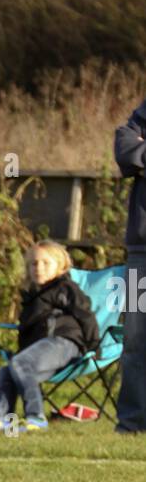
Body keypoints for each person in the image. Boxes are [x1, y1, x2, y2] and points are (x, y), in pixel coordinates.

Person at [0, 242, 99, 433]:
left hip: (64, 343)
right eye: (34, 264)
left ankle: (36, 417)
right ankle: (2, 419)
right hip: (42, 350)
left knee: (19, 364)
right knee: (8, 370)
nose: (39, 268)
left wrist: (94, 346)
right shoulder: (31, 297)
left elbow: (86, 315)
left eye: (46, 263)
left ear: (61, 266)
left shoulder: (65, 288)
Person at [113, 97, 146, 432]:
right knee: (136, 338)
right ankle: (132, 423)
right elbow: (124, 153)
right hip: (142, 252)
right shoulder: (140, 116)